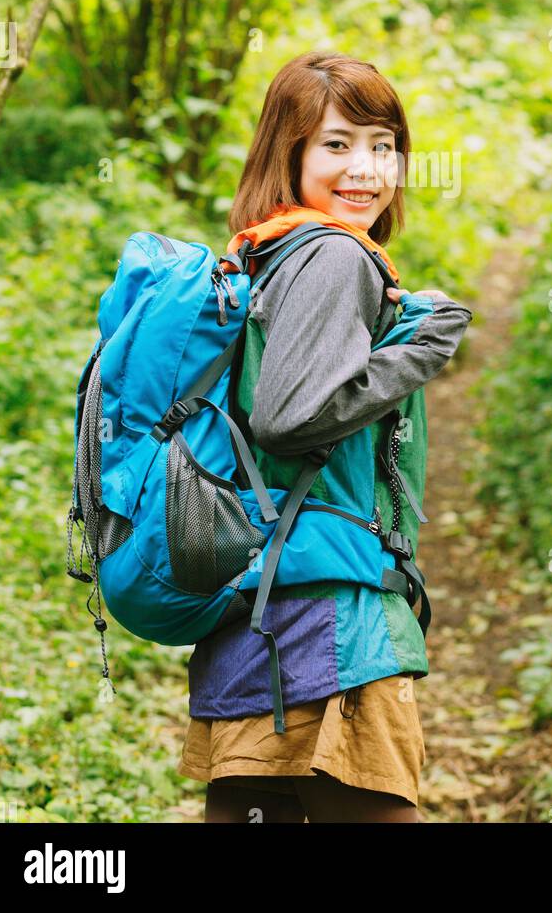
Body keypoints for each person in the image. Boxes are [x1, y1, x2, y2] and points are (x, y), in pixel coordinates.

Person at [176, 51, 473, 822]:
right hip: (331, 618)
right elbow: (288, 416)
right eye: (336, 144)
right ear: (291, 151)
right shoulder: (336, 254)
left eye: (382, 144)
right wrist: (419, 352)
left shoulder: (263, 251)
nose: (366, 168)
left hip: (256, 608)